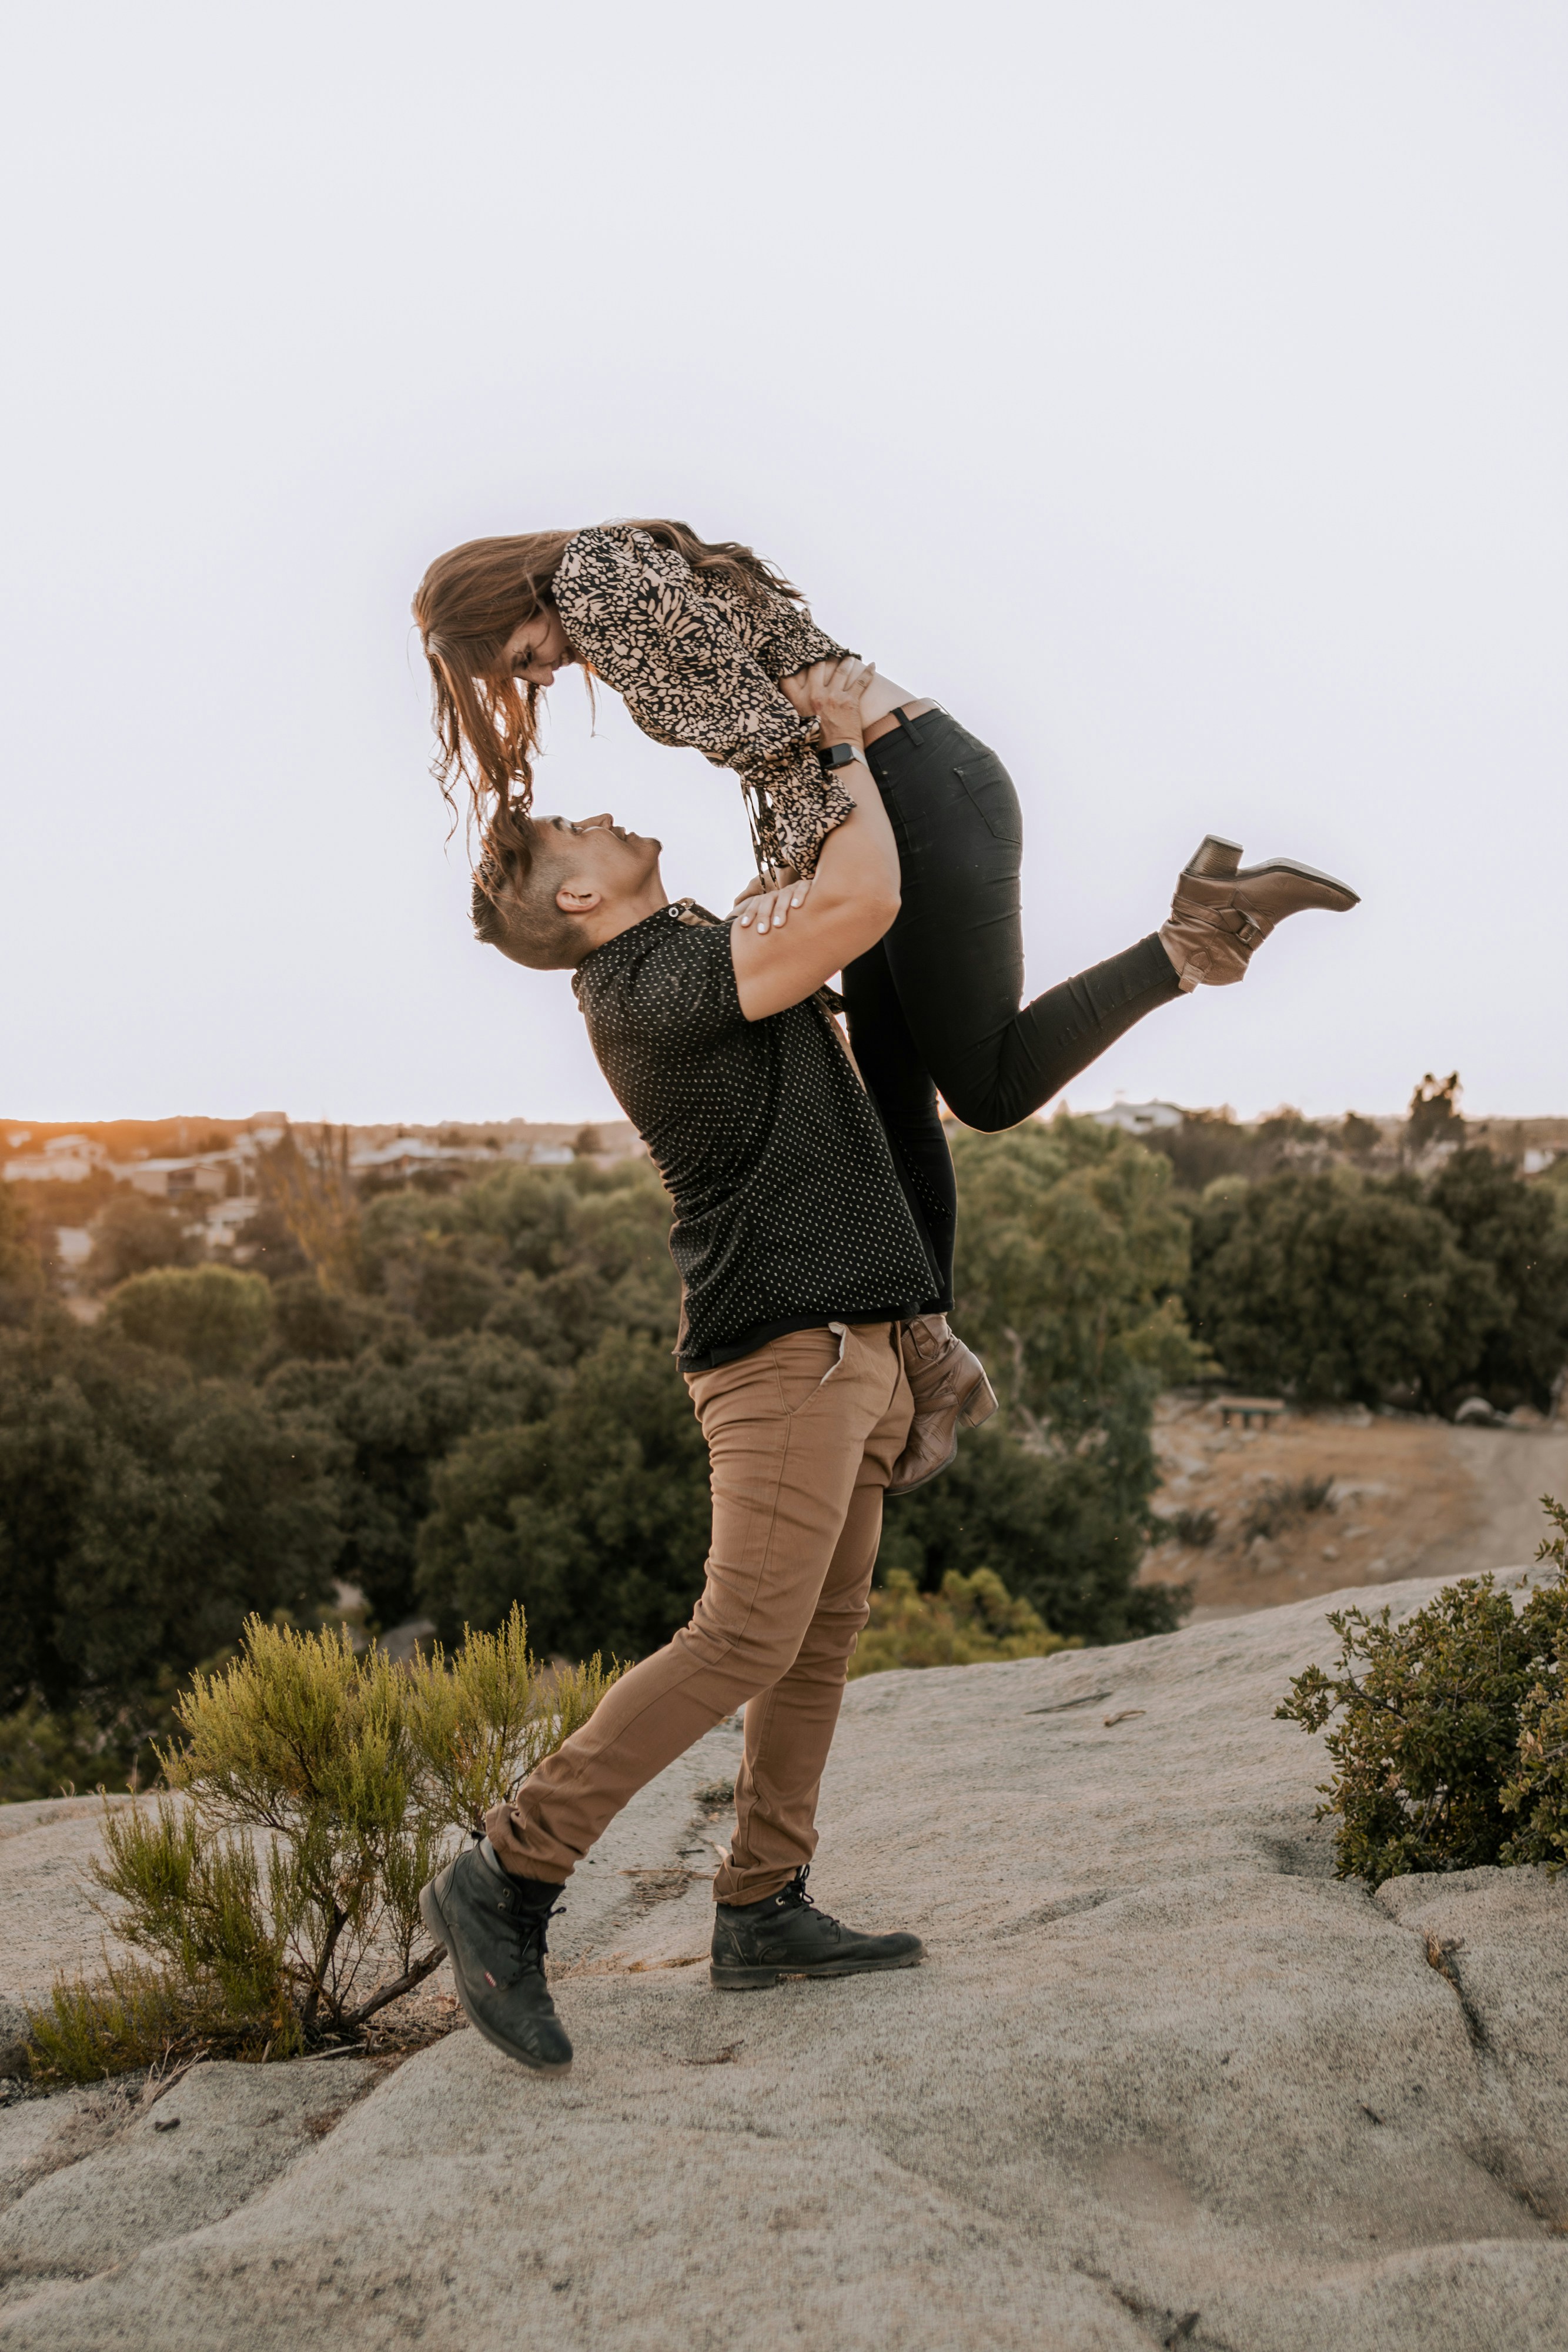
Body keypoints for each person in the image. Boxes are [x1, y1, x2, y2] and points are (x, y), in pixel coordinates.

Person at [413, 520, 1357, 1486]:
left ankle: (1195, 938)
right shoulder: (611, 572)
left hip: (904, 794)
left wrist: (810, 861)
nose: (540, 677)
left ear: (514, 599)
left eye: (522, 659)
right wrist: (795, 871)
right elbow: (777, 718)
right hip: (891, 789)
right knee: (893, 1096)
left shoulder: (599, 591)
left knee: (985, 1087)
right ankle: (933, 1356)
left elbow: (781, 734)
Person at [419, 657, 948, 2073]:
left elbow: (822, 898)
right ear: (577, 899)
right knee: (742, 1637)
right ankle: (508, 1871)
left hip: (850, 1341)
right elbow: (860, 902)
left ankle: (763, 1902)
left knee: (815, 1639)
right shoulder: (647, 985)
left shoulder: (689, 943)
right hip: (782, 1350)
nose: (596, 816)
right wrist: (841, 751)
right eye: (572, 834)